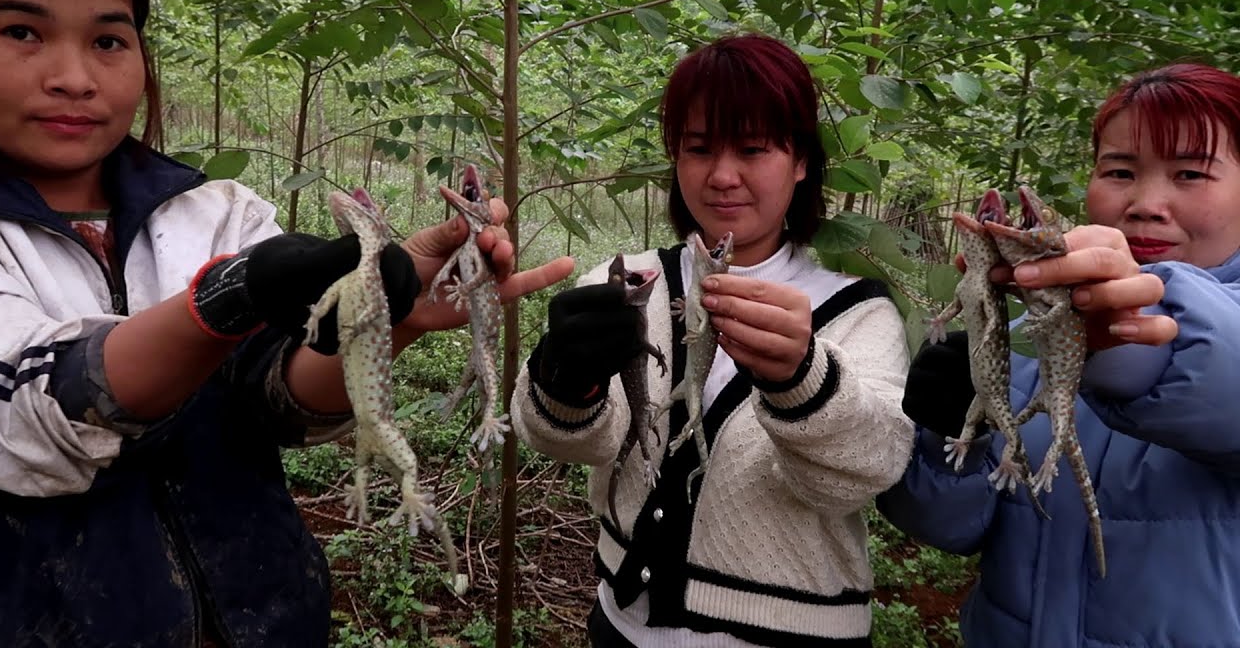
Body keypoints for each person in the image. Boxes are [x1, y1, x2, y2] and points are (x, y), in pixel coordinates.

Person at [0, 0, 573, 646]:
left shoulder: (216, 211)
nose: (74, 76)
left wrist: (390, 319)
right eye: (22, 31)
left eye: (108, 41)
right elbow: (27, 402)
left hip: (269, 619)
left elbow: (279, 401)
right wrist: (223, 300)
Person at [509, 33, 915, 647]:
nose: (723, 175)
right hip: (621, 628)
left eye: (753, 148)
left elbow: (865, 473)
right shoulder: (630, 282)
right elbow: (570, 438)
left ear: (801, 161)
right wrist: (565, 379)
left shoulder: (855, 311)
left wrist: (801, 378)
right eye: (699, 148)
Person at [877, 62, 1240, 647]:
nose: (1146, 202)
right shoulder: (1028, 330)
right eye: (1120, 170)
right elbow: (947, 526)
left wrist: (1124, 344)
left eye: (1192, 173)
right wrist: (943, 434)